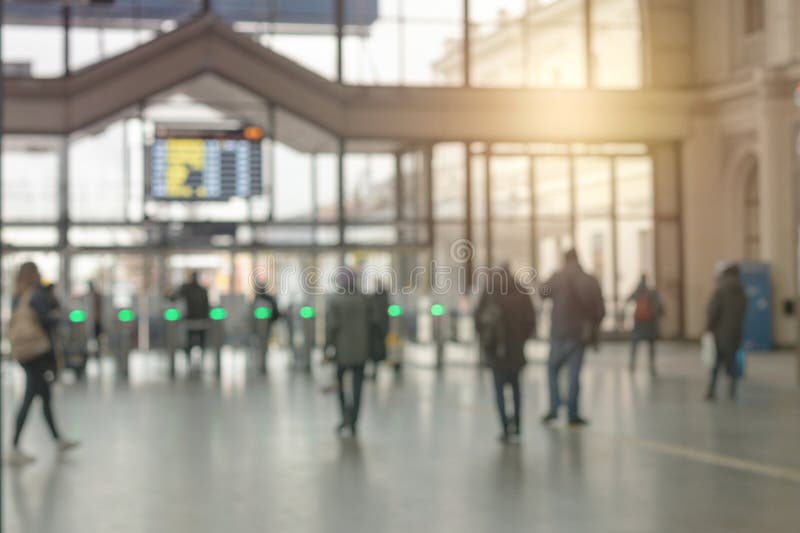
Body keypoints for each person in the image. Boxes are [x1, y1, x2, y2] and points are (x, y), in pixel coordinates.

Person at [6, 262, 78, 465]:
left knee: (44, 396)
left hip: (22, 352)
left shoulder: (16, 296)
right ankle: (14, 447)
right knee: (30, 397)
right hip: (37, 352)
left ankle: (57, 439)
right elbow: (47, 320)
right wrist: (56, 313)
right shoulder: (36, 295)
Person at [541, 249, 605, 427]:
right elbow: (600, 310)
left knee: (552, 370)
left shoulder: (558, 277)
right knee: (574, 374)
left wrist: (551, 277)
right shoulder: (589, 279)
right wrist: (593, 327)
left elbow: (542, 292)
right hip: (579, 335)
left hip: (559, 333)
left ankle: (554, 407)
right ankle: (572, 413)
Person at [474, 264, 536, 443]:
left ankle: (504, 428)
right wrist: (523, 339)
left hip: (496, 351)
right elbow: (531, 319)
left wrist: (486, 342)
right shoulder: (521, 291)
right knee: (516, 388)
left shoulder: (490, 293)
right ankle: (517, 426)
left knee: (499, 389)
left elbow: (478, 318)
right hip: (516, 350)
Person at [325, 268, 372, 436]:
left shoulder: (335, 300)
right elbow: (372, 323)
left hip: (342, 351)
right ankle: (354, 420)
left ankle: (345, 414)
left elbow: (331, 327)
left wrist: (327, 347)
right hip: (361, 350)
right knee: (358, 386)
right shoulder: (363, 299)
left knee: (341, 385)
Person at [705, 264, 747, 401]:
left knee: (716, 362)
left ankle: (711, 391)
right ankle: (732, 391)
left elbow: (713, 311)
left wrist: (708, 328)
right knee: (732, 361)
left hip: (720, 333)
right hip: (736, 332)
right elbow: (743, 310)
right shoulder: (741, 291)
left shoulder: (721, 290)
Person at [627, 274, 663, 375]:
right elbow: (660, 306)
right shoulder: (652, 291)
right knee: (651, 346)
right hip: (650, 323)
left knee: (634, 345)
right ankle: (652, 366)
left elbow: (628, 299)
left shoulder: (638, 291)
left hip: (639, 323)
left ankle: (632, 364)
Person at [172, 271, 210, 366]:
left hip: (190, 320)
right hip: (200, 320)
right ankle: (200, 359)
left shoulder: (186, 289)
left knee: (189, 341)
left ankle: (189, 358)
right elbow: (206, 306)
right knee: (201, 341)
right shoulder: (202, 290)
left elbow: (173, 297)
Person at [253, 288, 280, 373]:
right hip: (266, 326)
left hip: (263, 327)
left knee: (261, 344)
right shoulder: (269, 301)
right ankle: (262, 364)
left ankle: (262, 364)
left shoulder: (258, 302)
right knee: (263, 344)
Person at [367, 285, 390, 380]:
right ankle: (375, 371)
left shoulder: (374, 300)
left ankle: (374, 371)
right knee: (377, 353)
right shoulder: (385, 301)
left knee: (374, 353)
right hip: (381, 332)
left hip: (374, 331)